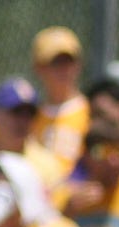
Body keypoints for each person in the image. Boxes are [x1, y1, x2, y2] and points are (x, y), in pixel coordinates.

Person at [30, 26, 90, 177]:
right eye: (55, 63)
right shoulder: (27, 115)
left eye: (69, 62)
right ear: (38, 68)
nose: (64, 70)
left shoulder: (91, 113)